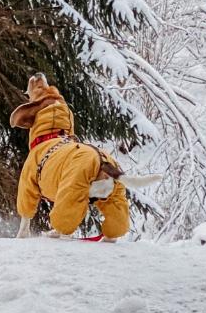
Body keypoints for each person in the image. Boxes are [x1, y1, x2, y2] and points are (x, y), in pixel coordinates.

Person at [10, 74, 129, 240]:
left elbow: (26, 191)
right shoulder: (73, 146)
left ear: (35, 118)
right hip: (106, 162)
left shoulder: (38, 154)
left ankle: (59, 228)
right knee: (112, 197)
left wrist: (25, 228)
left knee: (71, 197)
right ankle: (116, 229)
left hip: (81, 164)